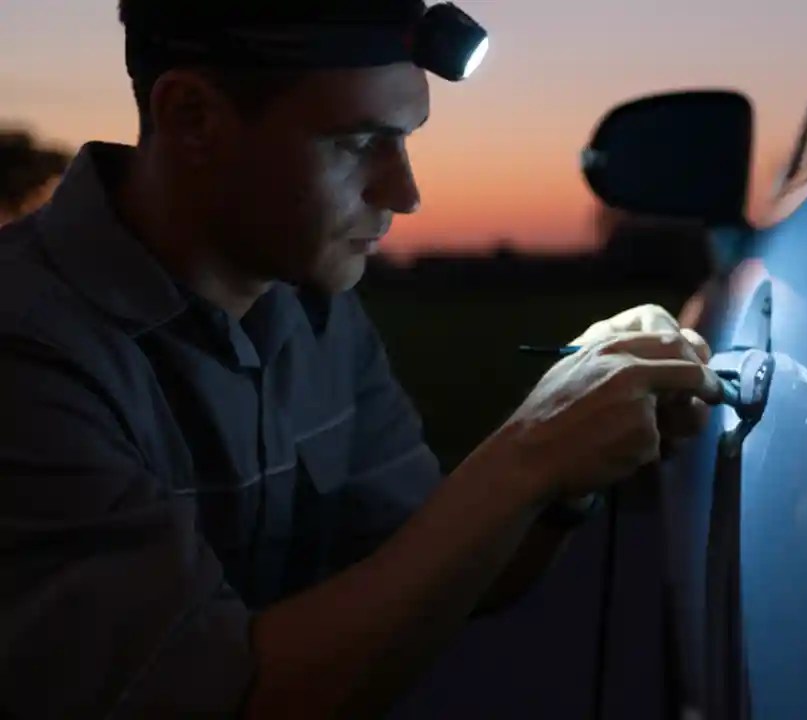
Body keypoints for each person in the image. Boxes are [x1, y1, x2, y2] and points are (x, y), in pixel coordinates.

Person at [0, 1, 723, 717]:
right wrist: (529, 454)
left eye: (405, 138)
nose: (404, 193)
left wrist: (567, 474)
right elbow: (232, 700)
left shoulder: (311, 303)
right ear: (192, 117)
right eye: (356, 143)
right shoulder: (28, 350)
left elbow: (438, 571)